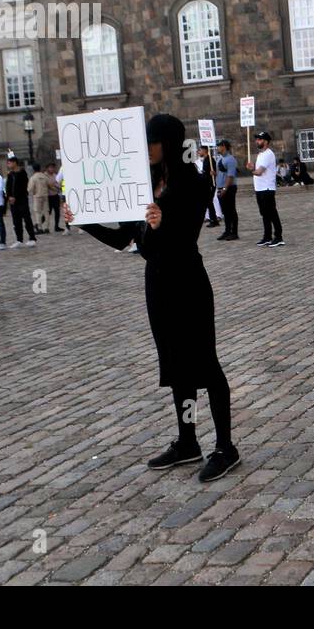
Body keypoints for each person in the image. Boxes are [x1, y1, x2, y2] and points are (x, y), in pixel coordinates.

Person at [67, 114, 240, 483]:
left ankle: (225, 445)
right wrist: (84, 220)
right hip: (158, 283)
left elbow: (185, 237)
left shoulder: (193, 182)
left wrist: (163, 225)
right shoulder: (141, 185)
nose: (146, 148)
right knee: (177, 367)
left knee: (205, 364)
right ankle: (189, 440)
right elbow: (123, 240)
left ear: (169, 143)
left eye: (152, 141)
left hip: (188, 282)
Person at [246, 131, 284, 247]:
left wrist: (251, 170)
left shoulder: (268, 154)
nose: (257, 141)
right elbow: (258, 169)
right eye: (257, 139)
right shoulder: (260, 154)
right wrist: (252, 167)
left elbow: (259, 172)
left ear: (266, 141)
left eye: (260, 139)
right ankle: (267, 236)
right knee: (265, 214)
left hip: (267, 188)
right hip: (260, 188)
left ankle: (278, 237)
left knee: (272, 213)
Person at [5, 157, 37, 247]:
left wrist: (15, 197)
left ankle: (32, 238)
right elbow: (8, 187)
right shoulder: (10, 174)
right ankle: (19, 239)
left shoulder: (22, 173)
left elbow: (23, 187)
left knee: (27, 218)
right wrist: (9, 197)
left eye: (10, 163)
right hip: (12, 202)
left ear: (15, 163)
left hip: (22, 200)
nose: (8, 164)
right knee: (16, 220)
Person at [214, 139, 239, 240]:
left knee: (231, 210)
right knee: (225, 211)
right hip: (221, 187)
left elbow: (230, 176)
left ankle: (234, 232)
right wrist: (214, 174)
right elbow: (221, 173)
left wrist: (225, 188)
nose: (217, 148)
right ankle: (227, 231)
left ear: (224, 146)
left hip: (229, 188)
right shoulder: (220, 158)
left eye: (219, 146)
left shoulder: (230, 159)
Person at [197, 145, 221, 228]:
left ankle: (214, 220)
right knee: (209, 203)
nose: (198, 152)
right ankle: (213, 219)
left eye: (200, 150)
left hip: (210, 184)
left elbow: (213, 172)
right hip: (206, 183)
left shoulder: (211, 160)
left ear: (205, 150)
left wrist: (213, 173)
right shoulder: (205, 160)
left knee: (209, 202)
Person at [27, 161, 50, 234]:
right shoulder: (44, 176)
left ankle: (39, 228)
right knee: (46, 212)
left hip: (37, 196)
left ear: (33, 169)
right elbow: (49, 184)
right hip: (45, 195)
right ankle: (46, 227)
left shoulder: (33, 177)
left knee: (38, 212)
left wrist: (33, 192)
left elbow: (30, 188)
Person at [45, 162, 65, 234]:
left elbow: (58, 184)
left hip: (55, 196)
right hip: (48, 196)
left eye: (53, 168)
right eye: (50, 167)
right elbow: (48, 185)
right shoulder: (45, 176)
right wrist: (55, 186)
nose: (52, 169)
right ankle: (41, 225)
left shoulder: (55, 175)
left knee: (57, 212)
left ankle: (56, 226)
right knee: (48, 212)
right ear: (47, 168)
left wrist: (56, 186)